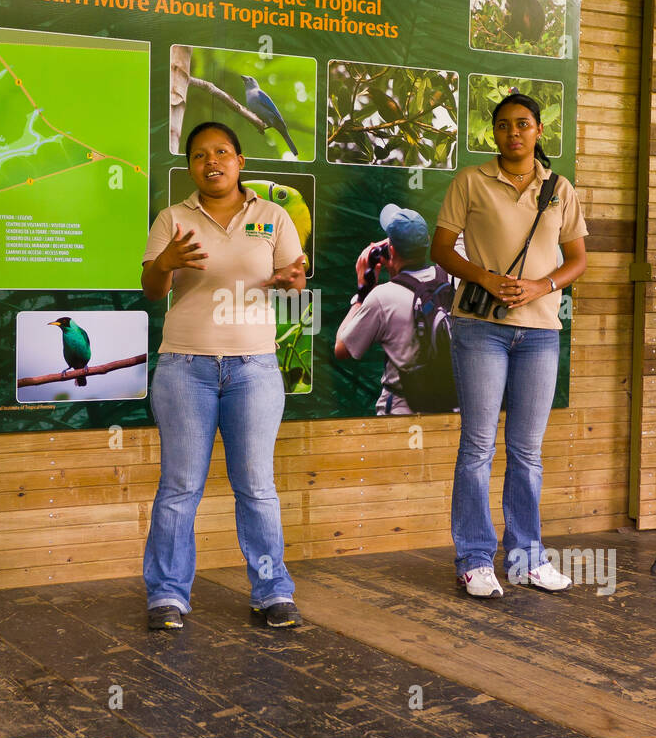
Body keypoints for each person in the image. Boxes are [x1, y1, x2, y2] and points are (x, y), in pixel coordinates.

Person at [140, 122, 306, 630]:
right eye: (199, 156)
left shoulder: (273, 215)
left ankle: (272, 591)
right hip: (183, 367)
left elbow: (296, 286)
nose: (211, 162)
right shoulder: (173, 217)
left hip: (254, 368)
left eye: (222, 153)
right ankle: (167, 596)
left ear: (239, 160)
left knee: (256, 486)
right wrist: (164, 263)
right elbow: (151, 290)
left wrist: (290, 282)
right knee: (180, 485)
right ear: (190, 166)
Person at [430, 93, 588, 598]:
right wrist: (486, 278)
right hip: (481, 326)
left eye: (522, 124)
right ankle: (475, 560)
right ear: (493, 133)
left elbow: (578, 258)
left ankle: (526, 559)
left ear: (539, 130)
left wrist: (543, 286)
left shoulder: (560, 189)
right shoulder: (470, 182)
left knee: (527, 450)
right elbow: (440, 248)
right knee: (477, 445)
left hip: (540, 331)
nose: (512, 133)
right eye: (502, 125)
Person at [335, 204, 454, 415]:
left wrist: (362, 293)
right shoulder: (449, 280)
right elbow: (414, 290)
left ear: (391, 249)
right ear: (427, 242)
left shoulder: (382, 297)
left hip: (402, 412)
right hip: (450, 408)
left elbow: (342, 349)